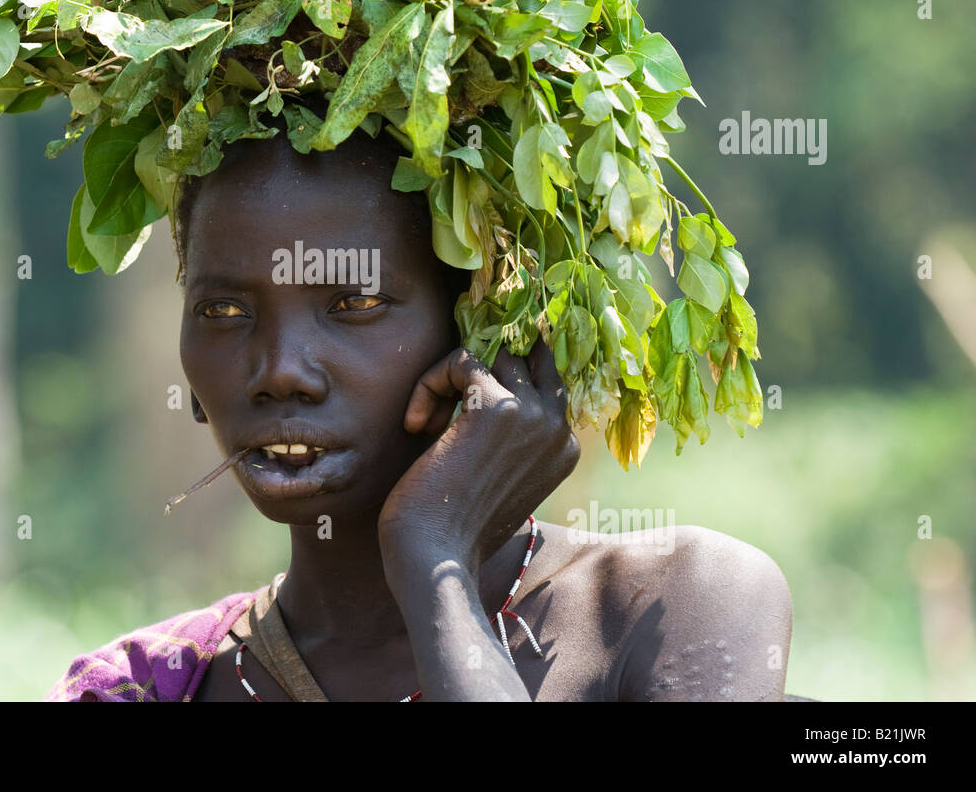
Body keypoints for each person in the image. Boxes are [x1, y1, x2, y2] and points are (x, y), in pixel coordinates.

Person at [45, 108, 794, 702]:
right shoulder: (142, 687)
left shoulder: (671, 608)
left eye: (353, 301)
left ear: (479, 325)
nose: (278, 372)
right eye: (224, 312)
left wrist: (431, 556)